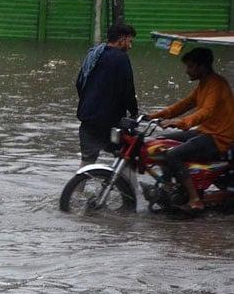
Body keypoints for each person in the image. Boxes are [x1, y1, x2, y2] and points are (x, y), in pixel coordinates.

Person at [148, 47, 234, 211]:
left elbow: (206, 111)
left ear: (202, 67)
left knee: (173, 154)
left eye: (190, 67)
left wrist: (180, 122)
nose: (187, 71)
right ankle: (170, 186)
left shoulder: (216, 84)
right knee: (160, 143)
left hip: (219, 137)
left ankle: (195, 200)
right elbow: (184, 105)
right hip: (206, 131)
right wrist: (154, 116)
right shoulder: (204, 84)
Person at [76, 23, 138, 167]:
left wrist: (89, 102)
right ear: (122, 39)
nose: (130, 46)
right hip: (110, 122)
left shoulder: (93, 55)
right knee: (129, 153)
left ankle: (78, 189)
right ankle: (126, 188)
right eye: (130, 41)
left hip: (88, 119)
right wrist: (134, 113)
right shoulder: (121, 58)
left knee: (87, 161)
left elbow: (79, 83)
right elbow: (127, 90)